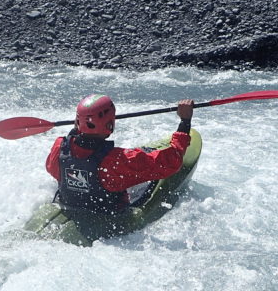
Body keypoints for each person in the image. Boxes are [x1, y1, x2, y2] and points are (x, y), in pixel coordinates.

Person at [45, 94, 194, 219]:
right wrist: (185, 122)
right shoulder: (117, 160)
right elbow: (172, 162)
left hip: (71, 205)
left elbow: (52, 168)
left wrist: (79, 128)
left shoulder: (60, 147)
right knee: (145, 177)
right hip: (110, 217)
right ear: (109, 124)